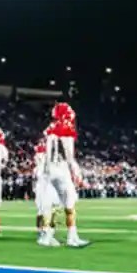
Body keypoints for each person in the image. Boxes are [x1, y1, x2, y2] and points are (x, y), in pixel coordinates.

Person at [37, 102, 89, 247]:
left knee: (53, 206)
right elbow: (69, 156)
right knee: (69, 205)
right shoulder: (66, 128)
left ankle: (47, 236)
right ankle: (72, 238)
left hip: (47, 171)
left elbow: (46, 153)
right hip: (60, 169)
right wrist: (77, 172)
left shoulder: (50, 129)